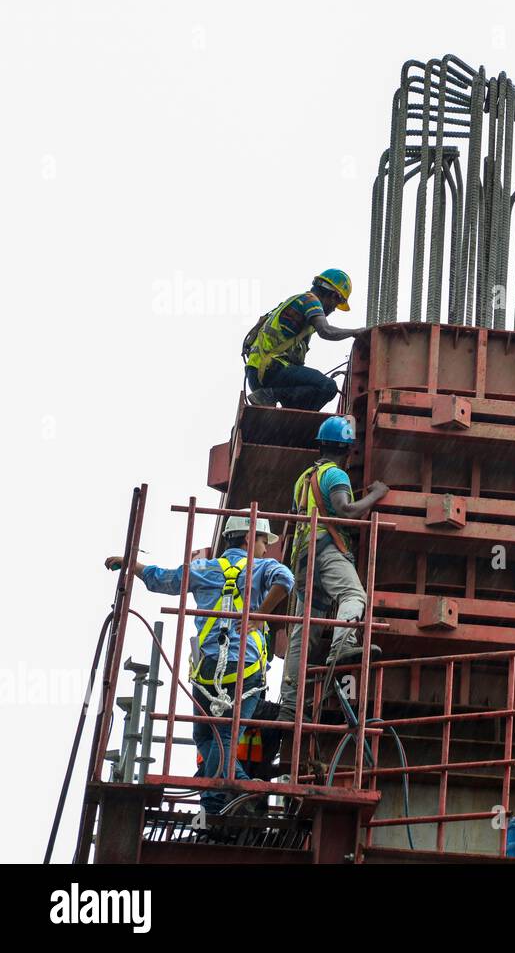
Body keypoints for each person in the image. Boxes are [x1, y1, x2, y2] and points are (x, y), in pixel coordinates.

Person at [106, 514, 293, 814]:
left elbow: (161, 579)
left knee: (206, 736)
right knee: (225, 738)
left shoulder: (204, 569)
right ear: (248, 538)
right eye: (262, 541)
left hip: (206, 673)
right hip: (244, 671)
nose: (264, 548)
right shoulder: (261, 568)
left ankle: (221, 798)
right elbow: (286, 579)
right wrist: (260, 614)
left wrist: (131, 564)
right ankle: (236, 793)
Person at [277, 415, 389, 725]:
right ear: (348, 449)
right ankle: (342, 646)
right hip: (327, 549)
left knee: (304, 631)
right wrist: (377, 494)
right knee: (353, 595)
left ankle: (289, 705)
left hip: (302, 559)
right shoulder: (335, 476)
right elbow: (346, 510)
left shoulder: (304, 478)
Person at [243, 269, 366, 411]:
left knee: (305, 399)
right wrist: (355, 332)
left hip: (259, 372)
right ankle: (268, 395)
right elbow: (326, 331)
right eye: (337, 304)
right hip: (270, 369)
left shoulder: (296, 302)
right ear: (333, 295)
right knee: (327, 387)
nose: (333, 310)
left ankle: (287, 418)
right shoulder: (310, 301)